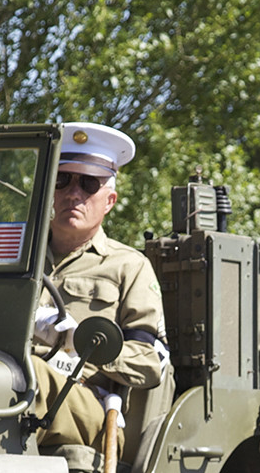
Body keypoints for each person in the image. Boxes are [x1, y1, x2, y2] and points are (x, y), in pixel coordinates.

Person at [29, 123, 169, 455]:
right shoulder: (16, 256)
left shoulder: (128, 266)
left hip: (86, 404)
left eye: (89, 184)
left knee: (25, 372)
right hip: (9, 378)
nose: (74, 194)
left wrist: (79, 342)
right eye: (63, 180)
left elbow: (150, 361)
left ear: (109, 201)